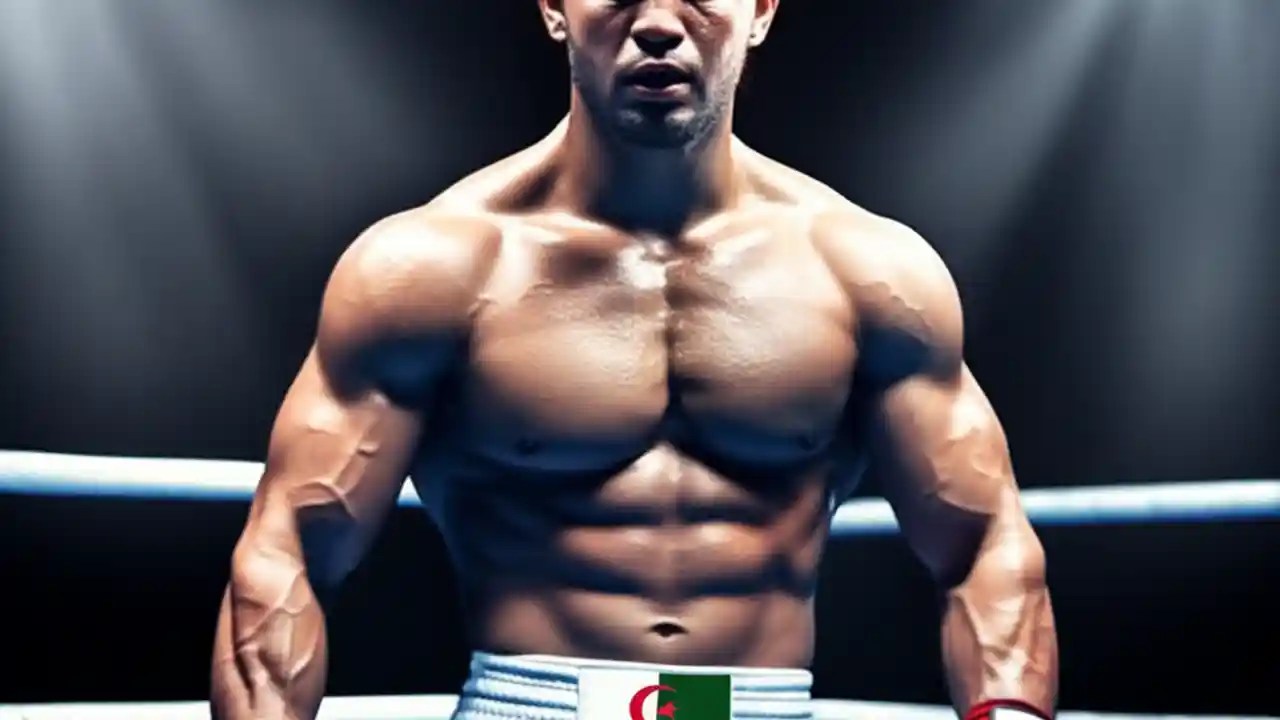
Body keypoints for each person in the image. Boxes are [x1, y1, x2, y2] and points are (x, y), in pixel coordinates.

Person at [211, 1, 1059, 718]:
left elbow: (986, 548)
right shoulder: (430, 270)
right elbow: (286, 551)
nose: (657, 22)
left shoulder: (866, 272)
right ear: (554, 7)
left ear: (760, 9)